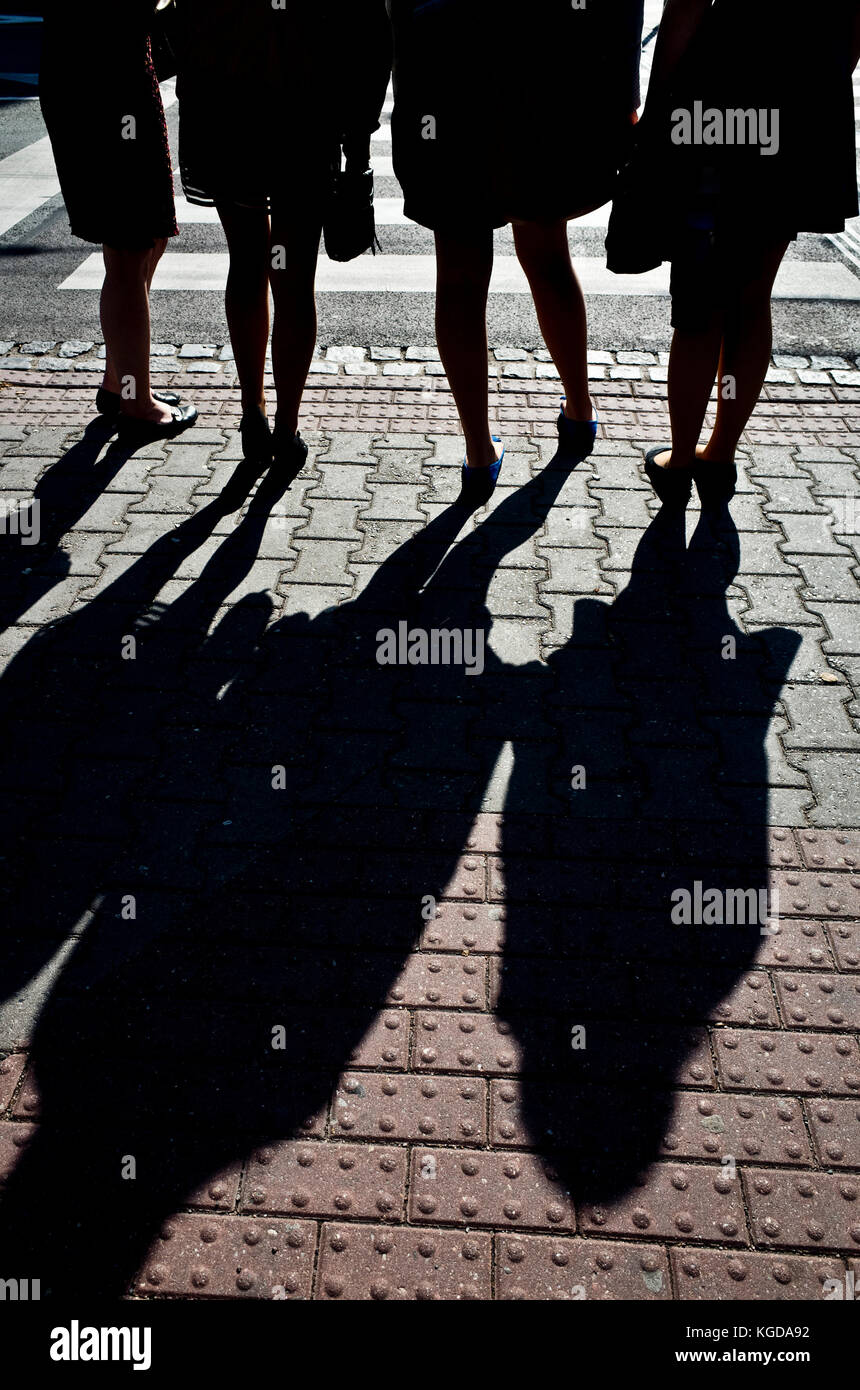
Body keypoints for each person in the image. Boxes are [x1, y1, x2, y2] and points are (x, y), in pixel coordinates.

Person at [387, 0, 645, 504]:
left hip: (445, 78)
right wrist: (622, 94)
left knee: (459, 277)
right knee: (547, 252)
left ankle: (479, 453)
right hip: (542, 72)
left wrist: (407, 81)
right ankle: (578, 409)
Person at [609, 0, 860, 508]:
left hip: (720, 105)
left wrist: (658, 115)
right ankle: (719, 453)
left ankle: (680, 458)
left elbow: (685, 9)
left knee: (702, 299)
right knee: (750, 294)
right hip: (805, 101)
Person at [175, 1, 391, 474]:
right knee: (292, 279)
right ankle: (287, 428)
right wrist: (357, 147)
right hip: (305, 118)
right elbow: (370, 38)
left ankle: (252, 410)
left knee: (248, 263)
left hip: (225, 114)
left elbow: (186, 22)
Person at [39, 1, 197, 438]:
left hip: (102, 73)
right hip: (109, 83)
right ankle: (136, 403)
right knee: (130, 245)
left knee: (147, 235)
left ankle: (120, 382)